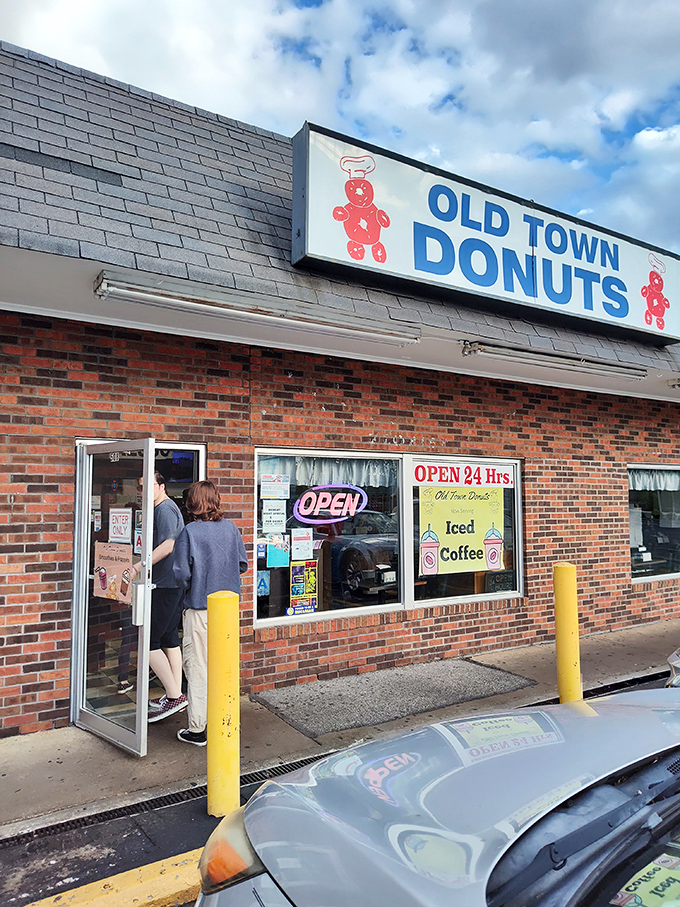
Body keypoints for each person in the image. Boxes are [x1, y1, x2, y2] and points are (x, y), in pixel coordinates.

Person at [172, 480, 248, 746]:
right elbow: (242, 564)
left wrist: (199, 583)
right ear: (215, 500)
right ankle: (225, 720)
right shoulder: (230, 528)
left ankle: (198, 729)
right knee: (225, 668)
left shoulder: (189, 532)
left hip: (199, 609)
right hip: (227, 610)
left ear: (192, 503)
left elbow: (181, 574)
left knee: (198, 669)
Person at [133, 471, 187, 722]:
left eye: (148, 486)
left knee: (149, 641)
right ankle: (173, 694)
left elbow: (169, 545)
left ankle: (175, 695)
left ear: (161, 486)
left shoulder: (164, 509)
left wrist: (139, 566)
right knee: (168, 638)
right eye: (140, 487)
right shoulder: (166, 507)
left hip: (165, 585)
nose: (143, 491)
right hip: (170, 584)